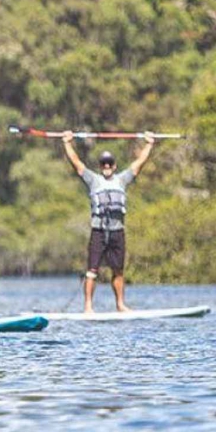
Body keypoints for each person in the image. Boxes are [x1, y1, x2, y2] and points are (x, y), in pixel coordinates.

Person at [61, 132, 157, 312]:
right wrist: (67, 143)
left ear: (114, 166)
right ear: (100, 166)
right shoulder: (93, 180)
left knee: (118, 271)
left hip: (117, 232)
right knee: (92, 271)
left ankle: (120, 305)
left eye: (110, 163)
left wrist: (149, 144)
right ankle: (88, 307)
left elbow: (139, 164)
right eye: (104, 164)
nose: (107, 166)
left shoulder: (122, 180)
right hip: (98, 232)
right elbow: (76, 163)